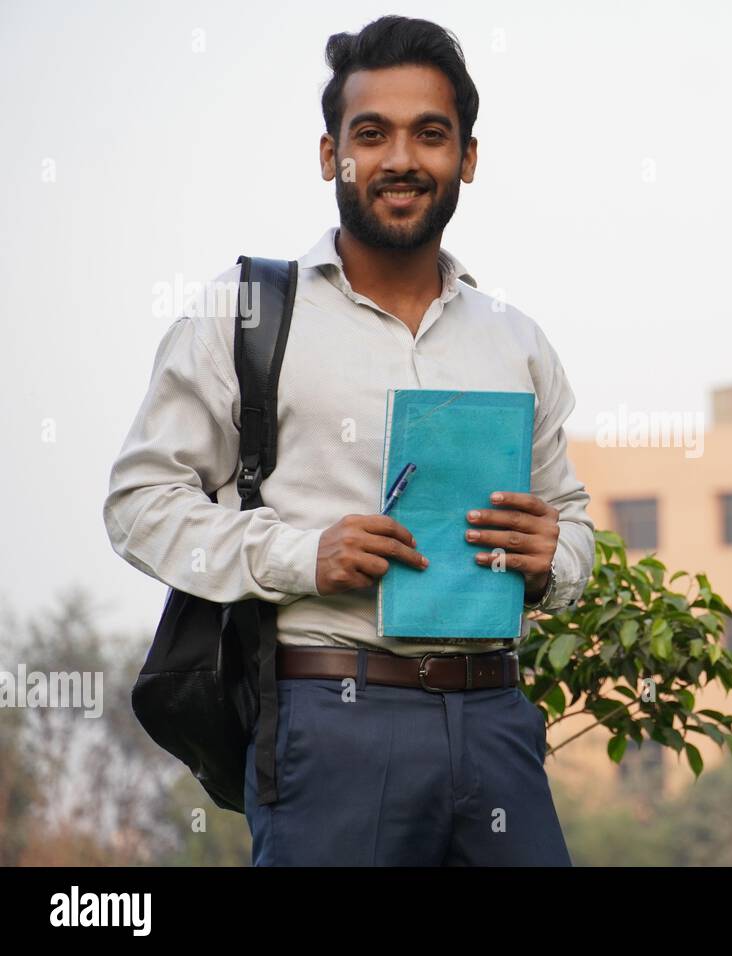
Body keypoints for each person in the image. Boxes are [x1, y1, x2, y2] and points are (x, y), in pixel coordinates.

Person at [102, 15, 594, 866]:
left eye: (430, 135)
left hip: (499, 722)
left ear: (467, 160)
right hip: (333, 720)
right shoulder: (248, 312)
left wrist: (556, 558)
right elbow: (139, 503)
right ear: (331, 155)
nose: (401, 158)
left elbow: (575, 522)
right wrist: (304, 556)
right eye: (372, 134)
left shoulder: (516, 341)